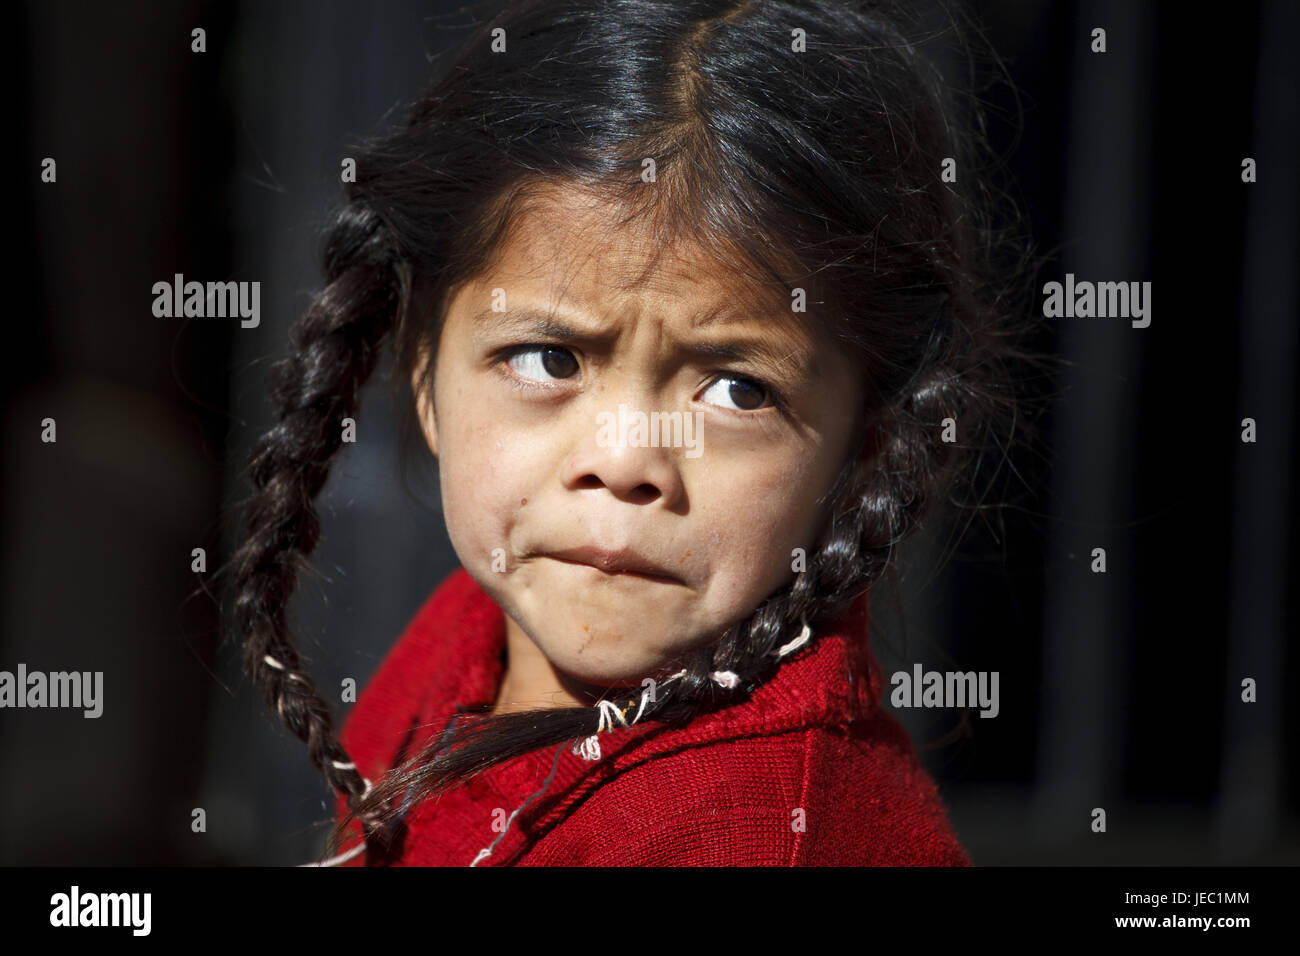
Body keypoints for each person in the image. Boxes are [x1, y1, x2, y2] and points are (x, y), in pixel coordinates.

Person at [229, 0, 1046, 866]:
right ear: (425, 369)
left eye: (737, 389)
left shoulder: (764, 835)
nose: (624, 462)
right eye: (548, 360)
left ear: (865, 444)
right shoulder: (469, 633)